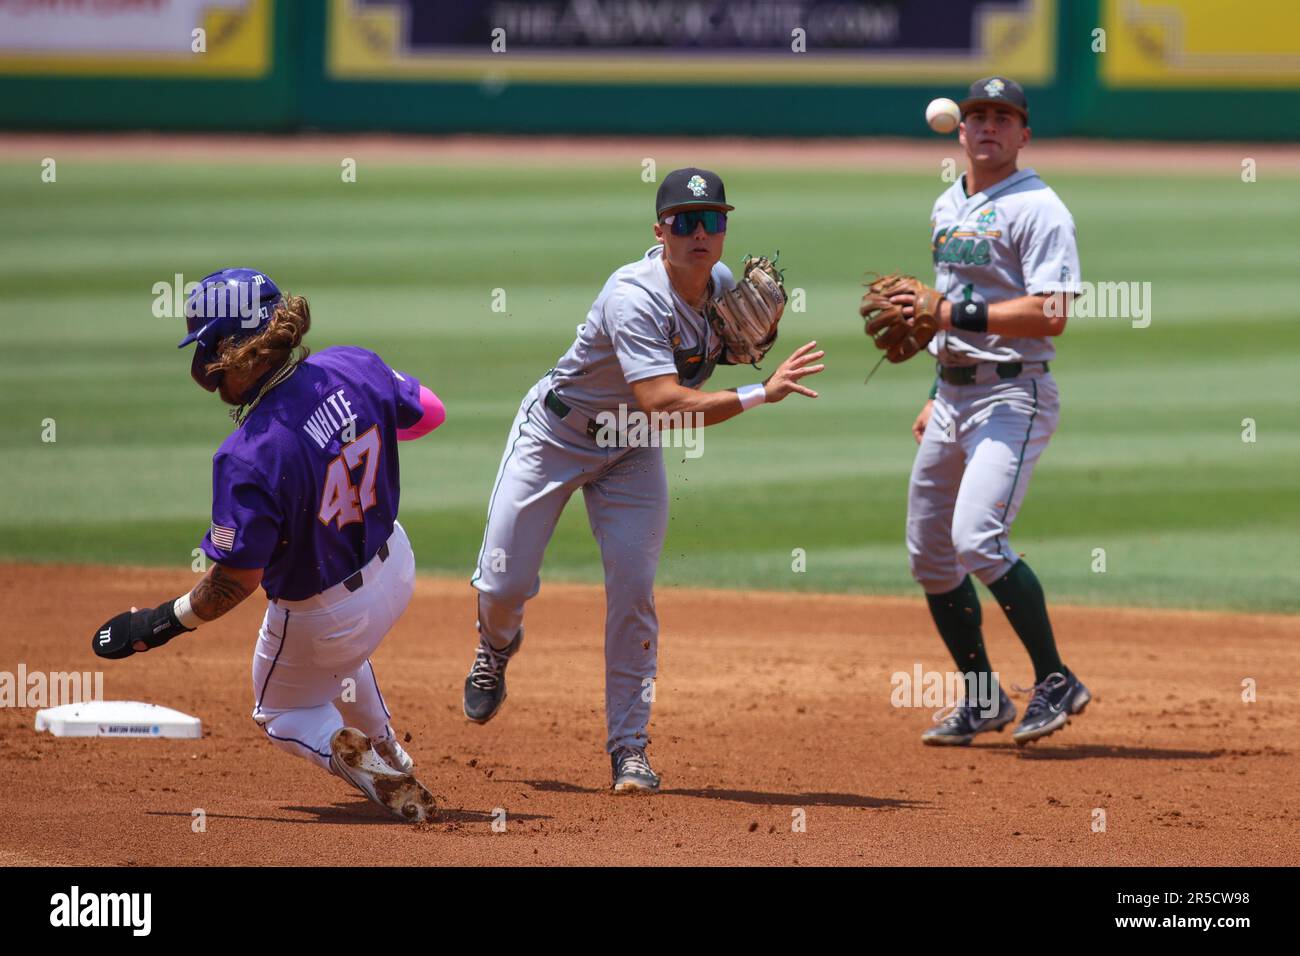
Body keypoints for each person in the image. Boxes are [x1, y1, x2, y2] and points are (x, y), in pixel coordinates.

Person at [462, 168, 825, 791]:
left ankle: (629, 748)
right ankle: (495, 647)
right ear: (660, 231)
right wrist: (758, 392)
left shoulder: (722, 284)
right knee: (503, 582)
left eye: (713, 219)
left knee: (633, 594)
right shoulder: (632, 295)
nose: (701, 233)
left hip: (631, 451)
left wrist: (737, 352)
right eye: (685, 221)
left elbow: (687, 382)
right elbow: (661, 400)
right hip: (556, 436)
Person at [91, 268, 446, 820]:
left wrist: (157, 623)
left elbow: (235, 581)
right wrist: (345, 429)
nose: (207, 373)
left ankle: (360, 763)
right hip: (396, 569)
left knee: (281, 709)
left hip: (326, 618)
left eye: (209, 354)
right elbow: (429, 412)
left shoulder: (247, 454)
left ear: (241, 352)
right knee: (341, 659)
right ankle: (389, 749)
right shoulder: (352, 364)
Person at [887, 78, 1091, 745]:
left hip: (1013, 393)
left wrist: (950, 314)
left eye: (1004, 117)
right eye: (978, 116)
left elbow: (1052, 313)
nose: (988, 127)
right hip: (951, 395)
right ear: (961, 130)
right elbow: (945, 301)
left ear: (1024, 133)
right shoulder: (949, 202)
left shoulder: (1040, 208)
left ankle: (1055, 678)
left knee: (977, 537)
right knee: (931, 557)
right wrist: (932, 386)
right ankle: (982, 699)